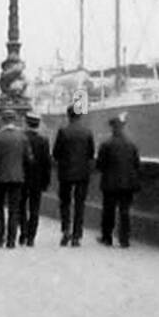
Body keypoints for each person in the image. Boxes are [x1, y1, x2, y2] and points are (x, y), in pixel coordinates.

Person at [52, 104, 95, 247]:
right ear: (80, 116)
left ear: (68, 116)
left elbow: (56, 153)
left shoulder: (63, 132)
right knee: (79, 204)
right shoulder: (87, 132)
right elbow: (91, 154)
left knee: (65, 203)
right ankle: (77, 235)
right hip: (82, 173)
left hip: (65, 173)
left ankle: (66, 230)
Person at [0, 109, 31, 248]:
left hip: (0, 177)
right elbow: (28, 158)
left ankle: (1, 236)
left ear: (2, 120)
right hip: (18, 177)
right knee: (14, 209)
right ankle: (12, 240)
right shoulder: (22, 137)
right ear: (15, 120)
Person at [96, 113, 140, 248]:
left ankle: (107, 237)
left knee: (108, 211)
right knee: (125, 211)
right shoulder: (131, 145)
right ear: (122, 128)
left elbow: (100, 165)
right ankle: (124, 239)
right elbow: (136, 164)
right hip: (127, 184)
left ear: (112, 128)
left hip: (110, 184)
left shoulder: (106, 144)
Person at [20, 114, 52, 246]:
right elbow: (47, 164)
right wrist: (46, 181)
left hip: (22, 178)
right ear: (38, 125)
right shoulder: (43, 141)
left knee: (20, 206)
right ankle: (31, 237)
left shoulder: (22, 138)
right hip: (37, 180)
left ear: (26, 123)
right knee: (34, 208)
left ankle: (23, 232)